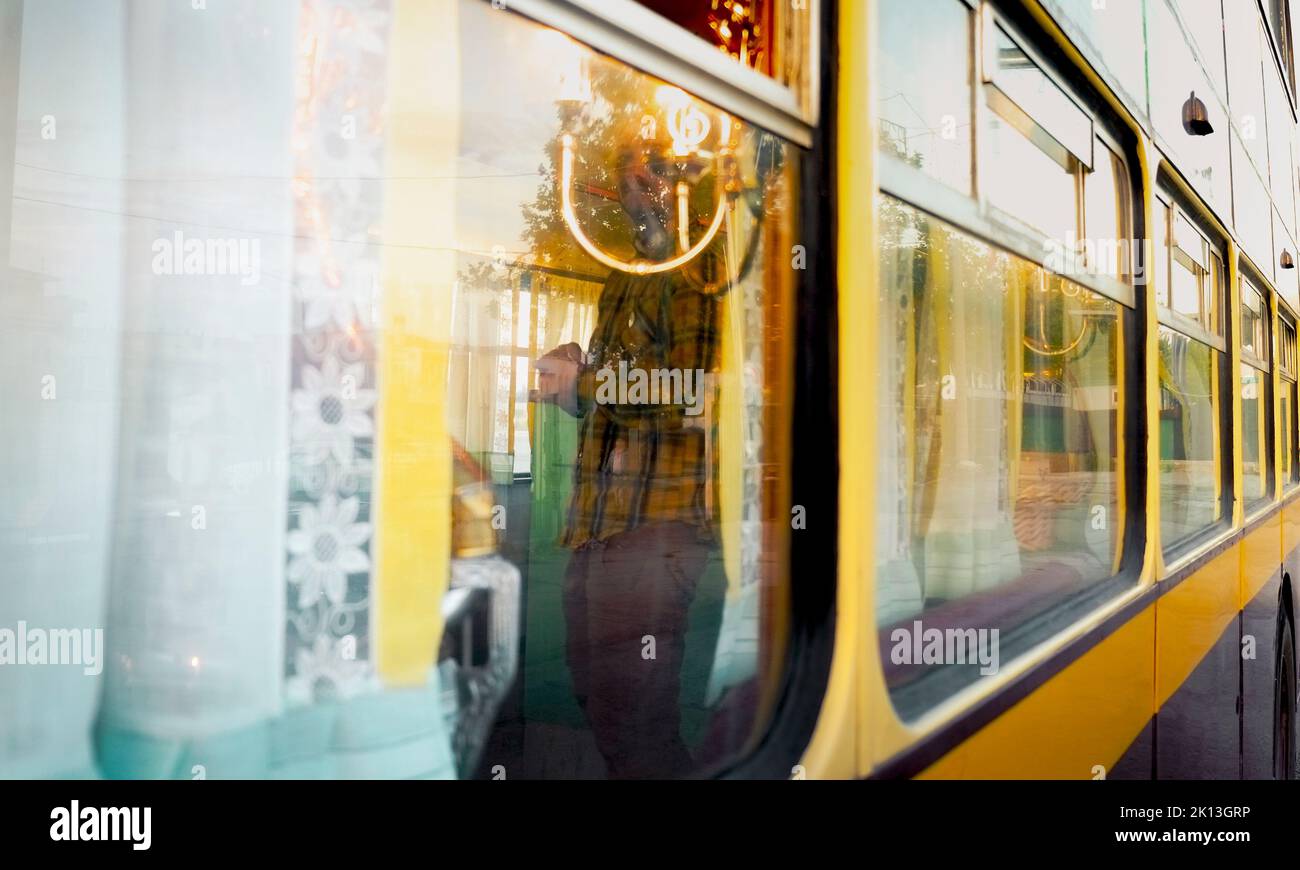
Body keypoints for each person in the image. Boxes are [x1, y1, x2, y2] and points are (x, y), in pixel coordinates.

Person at [536, 138, 721, 779]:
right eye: (626, 183)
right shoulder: (620, 280)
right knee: (595, 691)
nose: (634, 195)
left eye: (648, 180)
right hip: (597, 521)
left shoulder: (698, 273)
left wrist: (583, 387)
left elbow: (686, 390)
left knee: (633, 708)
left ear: (680, 186)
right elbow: (620, 386)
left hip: (658, 522)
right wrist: (576, 373)